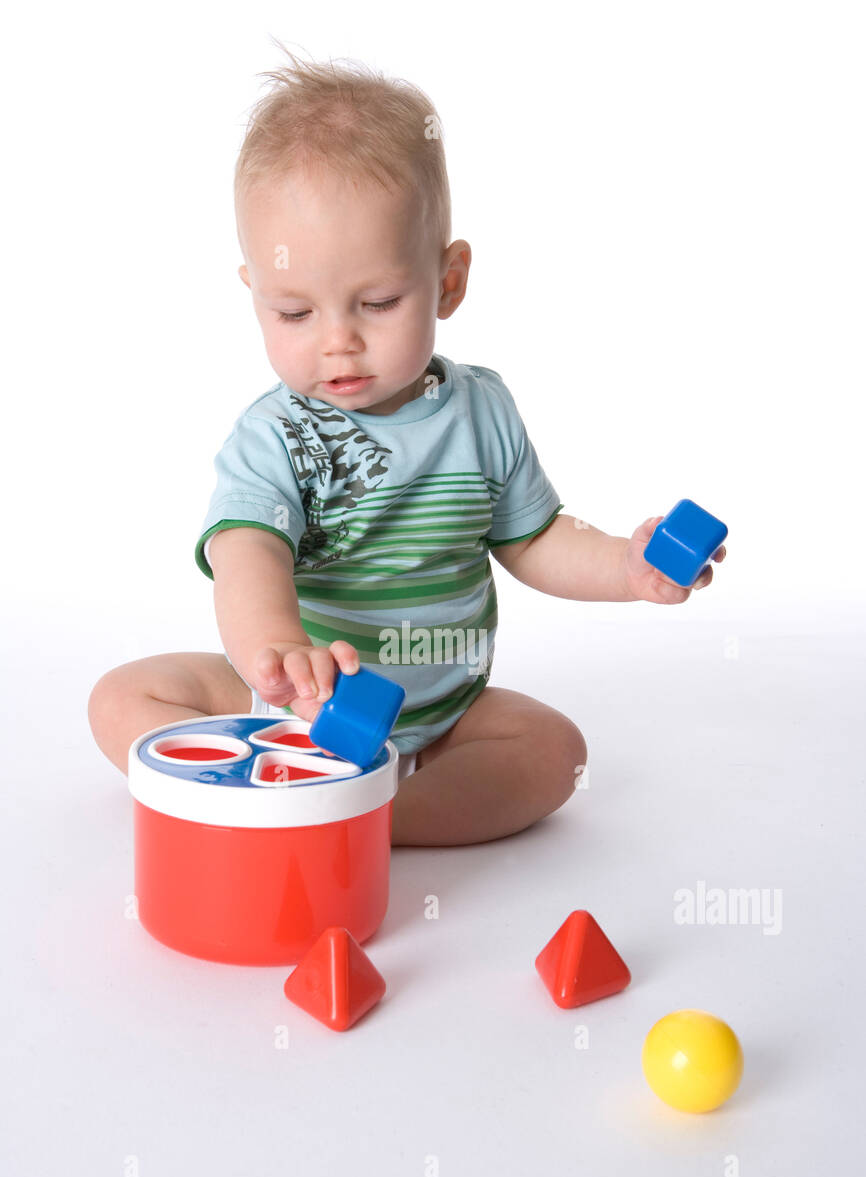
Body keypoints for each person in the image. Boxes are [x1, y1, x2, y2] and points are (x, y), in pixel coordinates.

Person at [88, 46, 725, 846]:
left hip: (445, 711)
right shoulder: (276, 434)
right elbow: (248, 550)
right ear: (254, 293)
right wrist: (279, 653)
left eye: (378, 302)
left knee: (555, 753)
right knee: (121, 698)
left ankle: (372, 818)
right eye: (295, 313)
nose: (338, 344)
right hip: (294, 707)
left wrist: (627, 570)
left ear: (448, 281)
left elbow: (536, 541)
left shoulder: (482, 412)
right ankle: (271, 786)